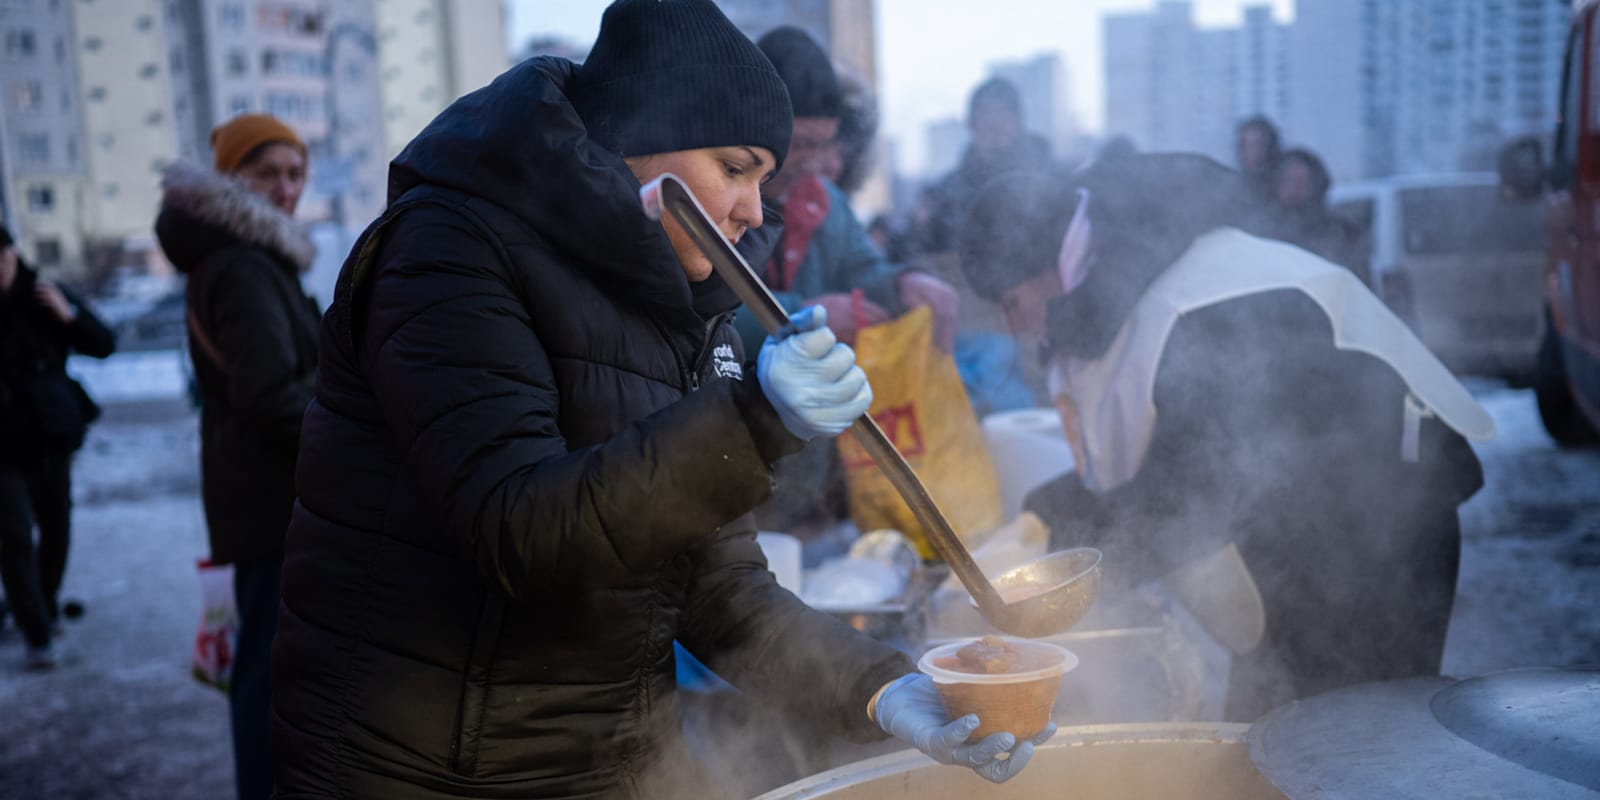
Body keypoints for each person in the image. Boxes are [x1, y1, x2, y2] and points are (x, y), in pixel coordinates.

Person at [268, 3, 1050, 798]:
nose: (753, 210)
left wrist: (886, 690)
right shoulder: (448, 252)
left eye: (764, 180)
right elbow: (518, 532)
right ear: (640, 137)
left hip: (608, 762)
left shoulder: (680, 303)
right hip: (418, 767)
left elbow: (720, 588)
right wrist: (753, 422)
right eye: (736, 167)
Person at [959, 152, 1487, 721]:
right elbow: (1181, 455)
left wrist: (1063, 581)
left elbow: (1193, 496)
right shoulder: (1116, 279)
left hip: (1383, 523)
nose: (1014, 326)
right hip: (1295, 520)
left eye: (1012, 303)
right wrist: (1054, 513)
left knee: (1355, 738)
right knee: (1268, 732)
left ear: (1046, 269)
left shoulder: (1190, 299)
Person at [153, 113, 319, 800]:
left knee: (266, 668)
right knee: (268, 677)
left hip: (253, 499)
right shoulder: (244, 266)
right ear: (230, 179)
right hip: (270, 503)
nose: (284, 189)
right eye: (266, 172)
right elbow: (270, 396)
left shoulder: (245, 260)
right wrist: (352, 425)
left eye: (294, 174)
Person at [0, 225, 115, 669]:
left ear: (13, 253)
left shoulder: (46, 296)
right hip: (3, 447)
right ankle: (36, 632)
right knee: (13, 535)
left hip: (50, 434)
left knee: (56, 525)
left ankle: (44, 603)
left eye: (3, 258)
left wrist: (70, 316)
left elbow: (105, 344)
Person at [915, 77, 1055, 260]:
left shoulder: (1049, 182)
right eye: (985, 113)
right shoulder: (945, 193)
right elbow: (930, 250)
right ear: (971, 123)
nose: (994, 122)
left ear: (1018, 121)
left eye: (1002, 112)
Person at [1271, 147, 1371, 285]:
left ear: (1316, 186)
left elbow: (1359, 287)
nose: (1293, 190)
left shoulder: (1345, 236)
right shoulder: (1267, 234)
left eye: (1301, 182)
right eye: (1287, 180)